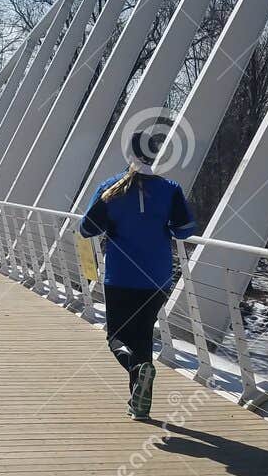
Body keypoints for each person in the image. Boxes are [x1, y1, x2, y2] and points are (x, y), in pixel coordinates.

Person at [79, 130, 196, 420]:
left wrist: (115, 224)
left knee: (116, 336)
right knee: (142, 336)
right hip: (157, 277)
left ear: (129, 154)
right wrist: (161, 226)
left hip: (121, 276)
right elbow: (185, 229)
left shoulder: (110, 188)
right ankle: (139, 404)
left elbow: (87, 228)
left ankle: (136, 369)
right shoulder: (170, 189)